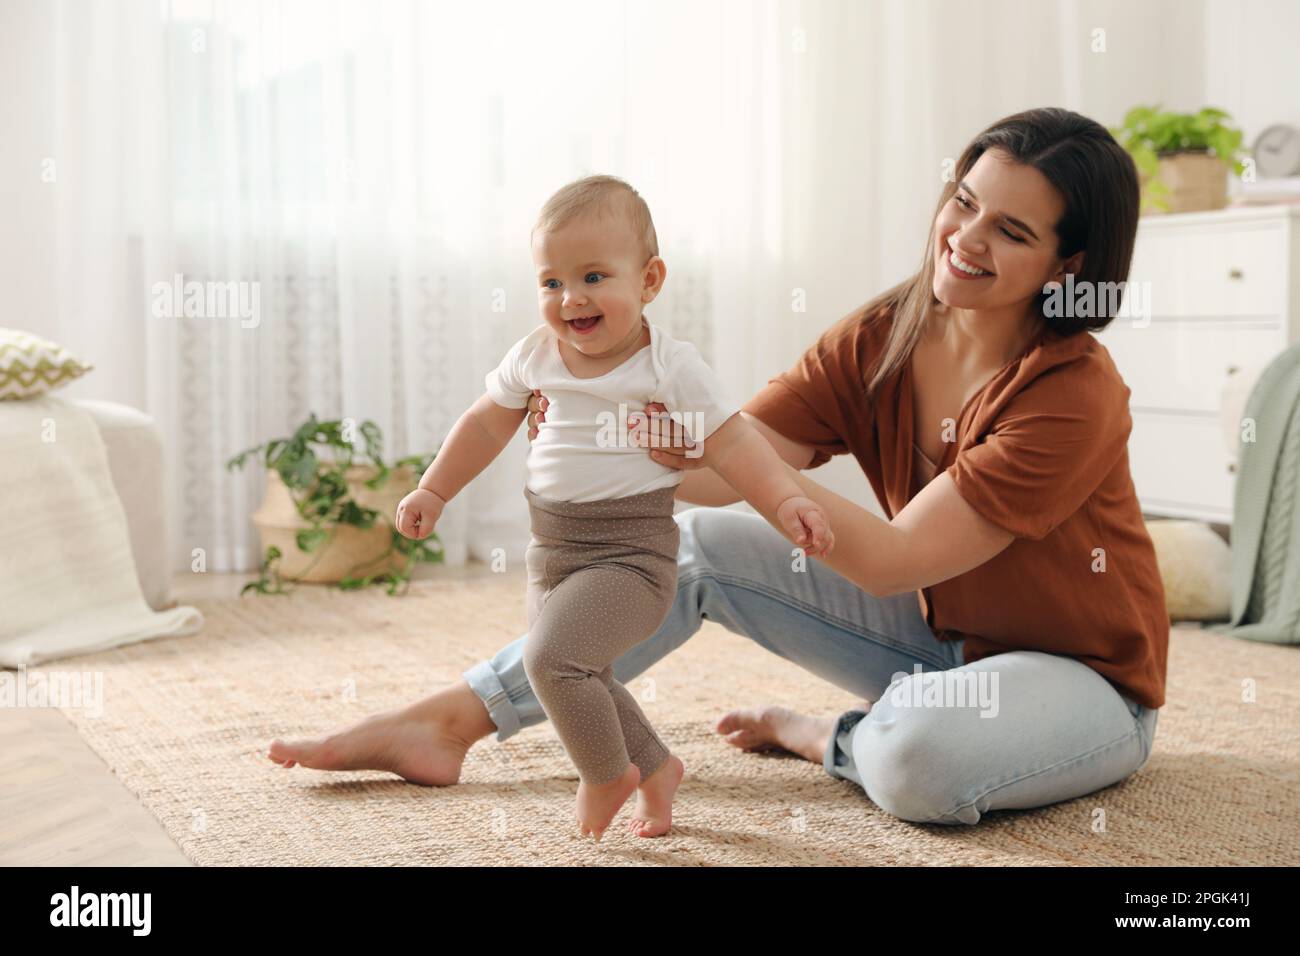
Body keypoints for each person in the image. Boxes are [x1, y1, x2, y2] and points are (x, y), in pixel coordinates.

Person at [269, 107, 1167, 827]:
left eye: (1009, 229)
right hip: (933, 638)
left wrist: (733, 459)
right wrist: (619, 427)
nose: (965, 237)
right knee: (688, 543)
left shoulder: (1071, 392)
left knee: (919, 764)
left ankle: (827, 735)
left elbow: (894, 557)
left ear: (1069, 265)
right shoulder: (884, 331)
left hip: (1079, 678)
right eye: (963, 200)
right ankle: (447, 723)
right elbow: (728, 464)